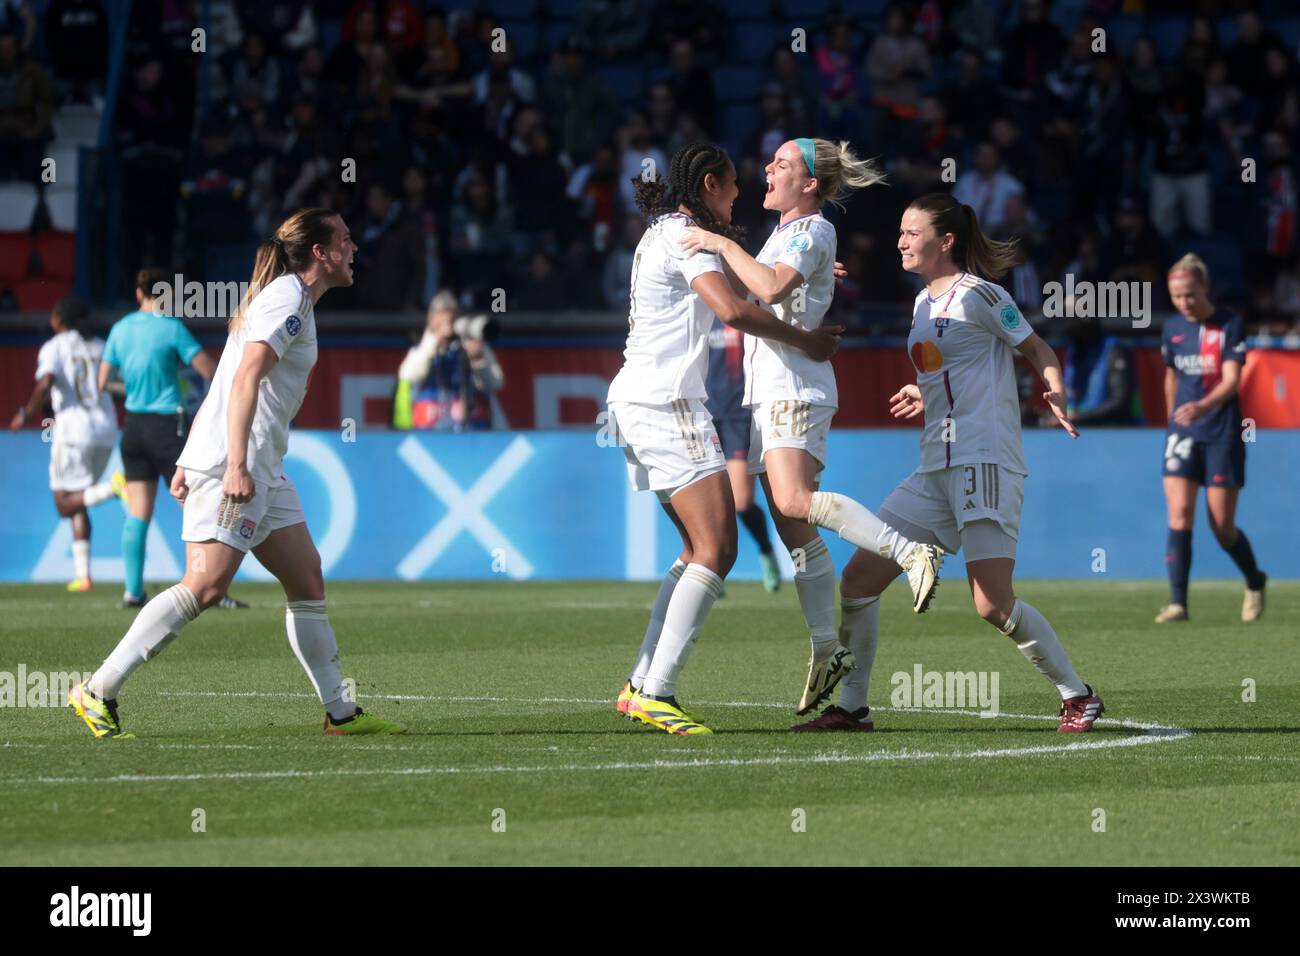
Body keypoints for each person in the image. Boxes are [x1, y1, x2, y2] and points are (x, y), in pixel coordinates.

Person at [69, 208, 405, 740]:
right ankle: (98, 689)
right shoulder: (287, 299)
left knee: (307, 579)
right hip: (239, 465)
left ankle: (341, 713)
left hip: (261, 467)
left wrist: (189, 459)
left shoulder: (291, 299)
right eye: (345, 239)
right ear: (320, 252)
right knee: (205, 585)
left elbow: (224, 379)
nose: (354, 247)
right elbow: (245, 378)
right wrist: (234, 465)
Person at [793, 193, 1104, 734]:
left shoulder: (981, 294)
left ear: (946, 240)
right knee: (859, 580)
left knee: (992, 604)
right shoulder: (922, 303)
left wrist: (1054, 390)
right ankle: (854, 707)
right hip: (935, 465)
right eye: (900, 232)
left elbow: (1037, 349)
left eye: (912, 233)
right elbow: (951, 367)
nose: (901, 242)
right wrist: (925, 391)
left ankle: (1078, 695)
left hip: (984, 460)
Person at [681, 138, 943, 716]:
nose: (767, 169)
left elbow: (772, 288)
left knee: (794, 502)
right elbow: (774, 282)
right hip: (772, 390)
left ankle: (908, 551)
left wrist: (721, 242)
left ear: (810, 184)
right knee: (794, 529)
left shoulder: (810, 229)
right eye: (771, 161)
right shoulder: (793, 234)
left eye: (782, 164)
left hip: (793, 387)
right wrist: (813, 267)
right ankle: (827, 648)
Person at [608, 141, 842, 735]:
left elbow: (758, 282)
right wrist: (807, 341)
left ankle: (640, 683)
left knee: (695, 549)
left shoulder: (663, 231)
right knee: (718, 548)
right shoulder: (684, 236)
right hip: (667, 404)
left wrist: (809, 272)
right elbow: (734, 311)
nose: (741, 193)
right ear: (710, 183)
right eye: (733, 183)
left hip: (640, 398)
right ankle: (658, 692)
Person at [99, 269, 247, 609]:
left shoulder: (120, 329)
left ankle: (132, 591)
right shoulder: (170, 327)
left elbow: (102, 382)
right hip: (167, 425)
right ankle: (211, 589)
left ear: (139, 293)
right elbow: (208, 369)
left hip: (133, 427)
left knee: (138, 511)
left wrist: (133, 389)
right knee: (195, 505)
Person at [1157, 253, 1266, 623]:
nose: (1183, 302)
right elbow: (1171, 376)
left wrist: (1202, 407)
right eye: (1177, 296)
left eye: (1189, 294)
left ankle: (1255, 580)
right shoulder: (1172, 328)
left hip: (1222, 433)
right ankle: (1178, 603)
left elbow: (1233, 380)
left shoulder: (1229, 324)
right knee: (1179, 513)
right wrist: (1173, 422)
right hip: (1183, 435)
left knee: (1221, 527)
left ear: (1205, 288)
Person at [9, 296, 121, 592]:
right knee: (78, 500)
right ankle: (84, 576)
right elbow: (117, 386)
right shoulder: (101, 346)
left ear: (60, 319)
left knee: (62, 503)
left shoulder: (55, 347)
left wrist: (26, 414)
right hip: (106, 431)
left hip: (73, 432)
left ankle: (114, 488)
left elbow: (46, 383)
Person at [704, 315, 781, 593]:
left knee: (741, 501)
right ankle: (709, 568)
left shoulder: (746, 312)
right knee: (706, 504)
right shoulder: (702, 312)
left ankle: (766, 549)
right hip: (705, 414)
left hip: (740, 416)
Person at [393, 290, 503, 431]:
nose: (448, 324)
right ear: (431, 320)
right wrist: (434, 340)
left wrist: (478, 360)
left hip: (472, 433)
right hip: (430, 434)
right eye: (442, 318)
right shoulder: (421, 349)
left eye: (452, 318)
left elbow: (495, 384)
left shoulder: (473, 345)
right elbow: (409, 376)